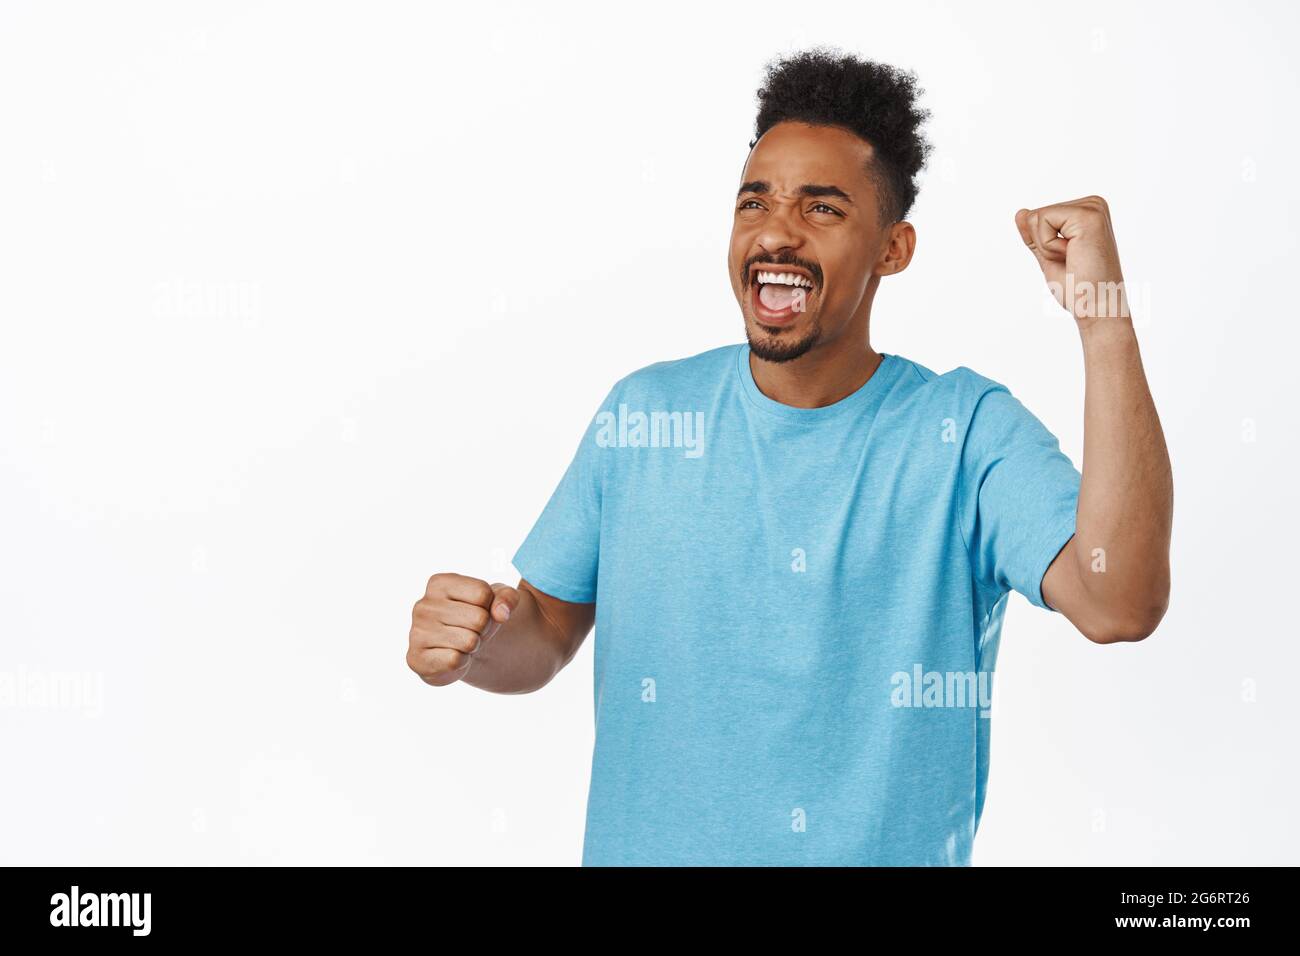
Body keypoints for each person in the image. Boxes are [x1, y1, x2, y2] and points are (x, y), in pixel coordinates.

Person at [407, 48, 1173, 866]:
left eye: (822, 208)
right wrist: (479, 641)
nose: (776, 231)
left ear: (893, 248)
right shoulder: (644, 416)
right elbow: (547, 632)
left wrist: (1102, 314)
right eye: (755, 202)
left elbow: (1118, 602)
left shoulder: (967, 433)